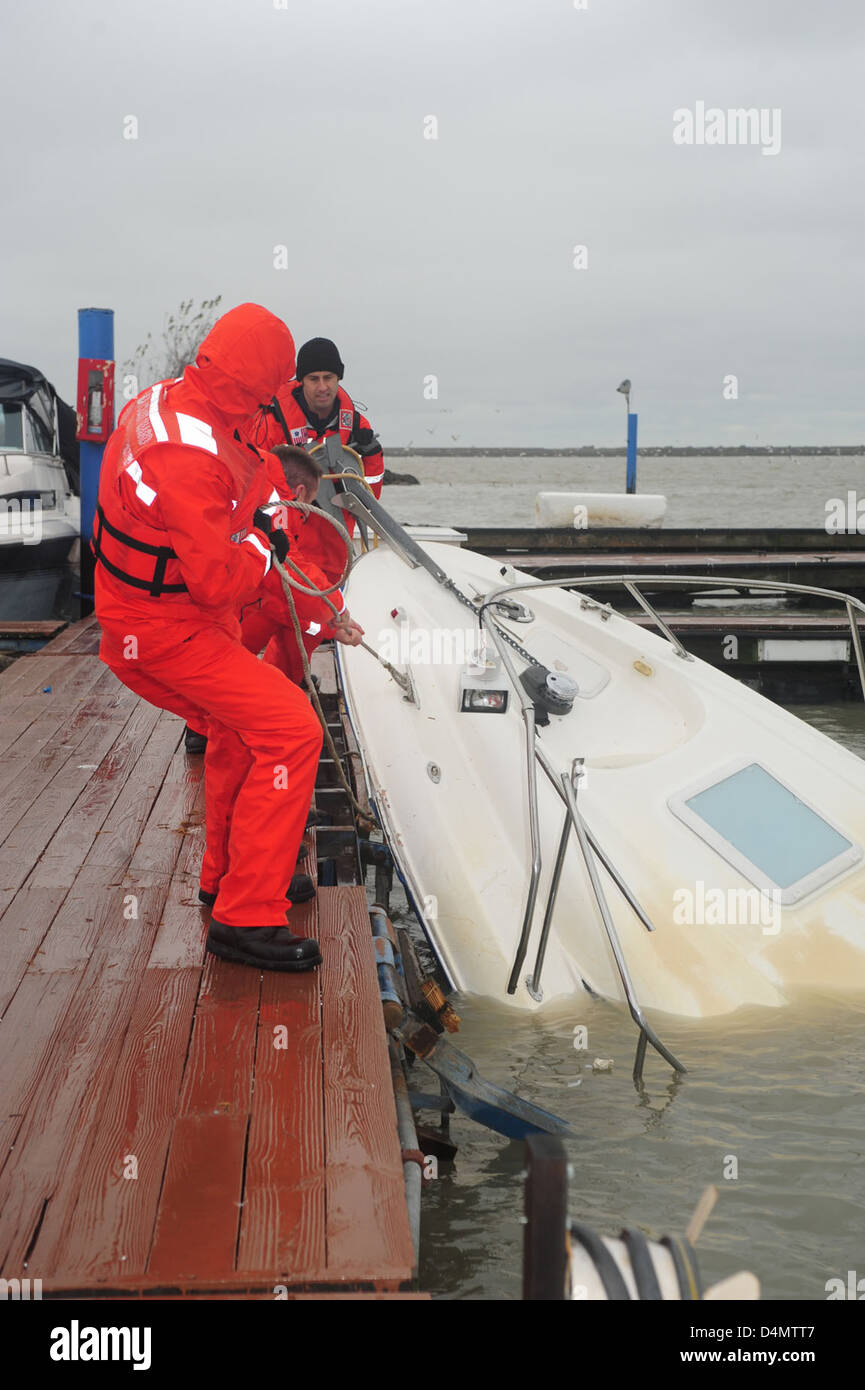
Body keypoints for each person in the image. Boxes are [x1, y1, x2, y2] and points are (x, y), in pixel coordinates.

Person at [93, 302, 324, 973]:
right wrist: (266, 542)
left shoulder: (174, 399)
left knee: (236, 730)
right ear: (257, 384)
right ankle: (245, 920)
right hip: (161, 628)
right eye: (273, 388)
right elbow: (219, 578)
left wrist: (262, 516)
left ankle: (231, 876)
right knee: (291, 729)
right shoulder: (186, 450)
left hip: (164, 614)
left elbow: (231, 482)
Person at [259, 337, 385, 517]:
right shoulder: (271, 423)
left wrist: (371, 457)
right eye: (314, 379)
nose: (322, 387)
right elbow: (252, 480)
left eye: (328, 378)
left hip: (338, 531)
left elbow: (371, 491)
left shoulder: (357, 427)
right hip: (288, 530)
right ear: (302, 380)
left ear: (338, 378)